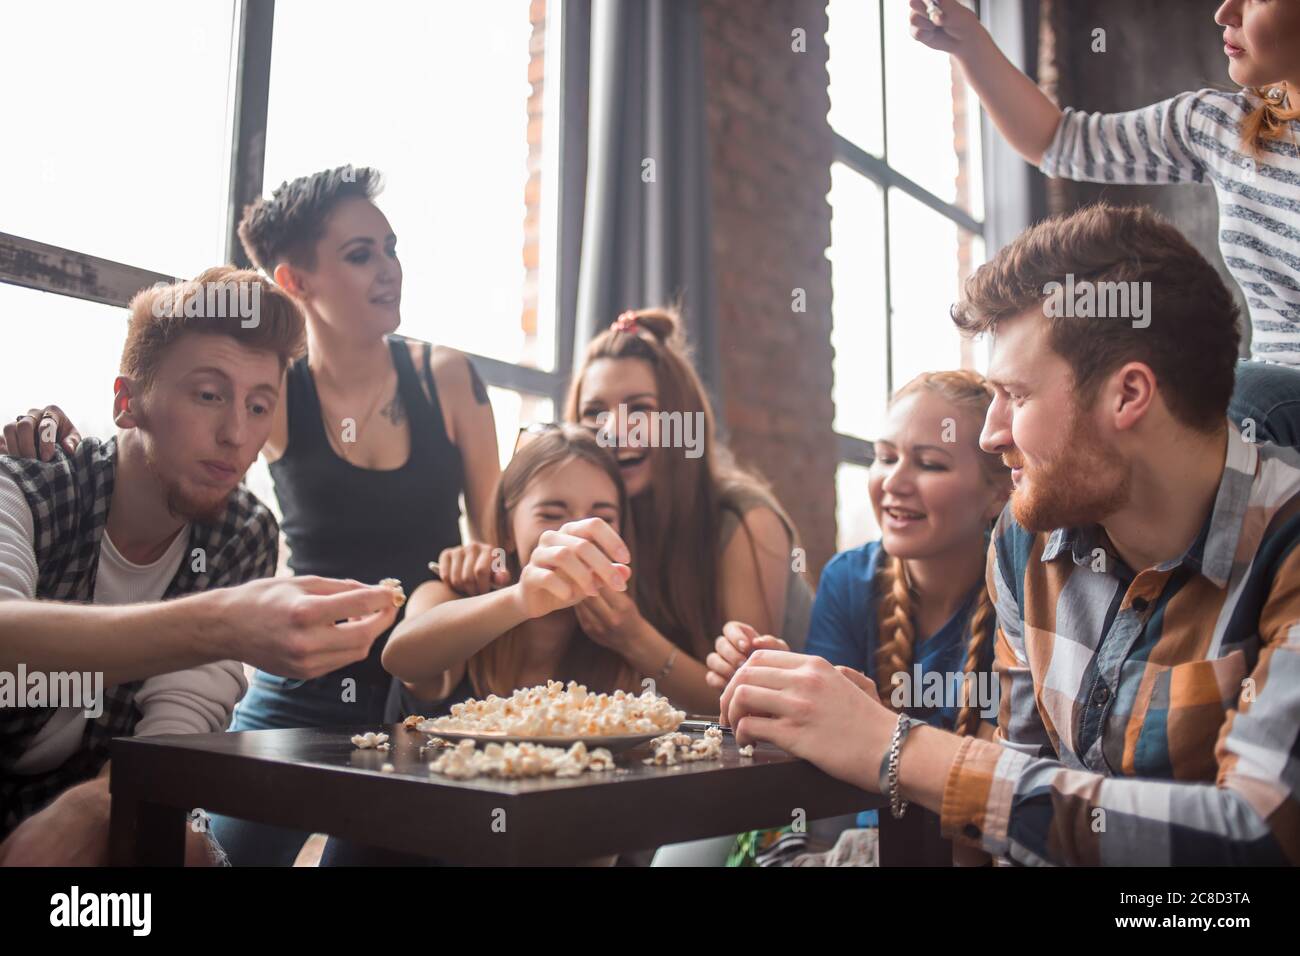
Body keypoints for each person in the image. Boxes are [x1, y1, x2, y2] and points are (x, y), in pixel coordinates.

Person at [723, 203, 1300, 865]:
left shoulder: (1286, 548)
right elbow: (1015, 821)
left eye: (1015, 397)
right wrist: (863, 740)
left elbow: (1256, 837)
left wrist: (896, 746)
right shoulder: (1029, 545)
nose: (993, 433)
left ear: (1128, 394)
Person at [8, 166, 502, 864]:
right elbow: (161, 427)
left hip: (427, 675)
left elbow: (498, 535)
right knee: (213, 846)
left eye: (390, 248)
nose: (389, 269)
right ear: (293, 281)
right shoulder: (272, 385)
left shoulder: (443, 377)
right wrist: (47, 436)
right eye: (361, 254)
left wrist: (484, 565)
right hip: (297, 675)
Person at [0, 268, 399, 866]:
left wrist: (91, 809)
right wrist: (226, 622)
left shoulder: (241, 531)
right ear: (128, 401)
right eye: (209, 395)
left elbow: (174, 733)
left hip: (88, 792)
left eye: (259, 405)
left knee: (187, 850)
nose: (237, 434)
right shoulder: (29, 484)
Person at [909, 0, 1300, 444]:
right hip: (1265, 407)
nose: (1225, 12)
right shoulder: (1220, 126)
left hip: (1257, 402)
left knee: (1237, 398)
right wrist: (969, 45)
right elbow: (1058, 141)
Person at [701, 370, 1009, 867]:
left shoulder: (1019, 598)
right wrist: (779, 684)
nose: (894, 481)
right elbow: (819, 762)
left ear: (997, 493)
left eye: (929, 464)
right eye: (884, 457)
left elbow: (997, 798)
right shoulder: (849, 579)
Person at [437, 308, 813, 716]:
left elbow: (753, 703)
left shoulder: (743, 521)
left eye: (639, 409)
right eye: (594, 413)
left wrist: (633, 638)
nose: (615, 429)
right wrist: (475, 559)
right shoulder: (589, 520)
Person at [323, 424, 636, 866]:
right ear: (508, 529)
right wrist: (520, 599)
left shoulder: (617, 648)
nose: (576, 535)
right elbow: (401, 656)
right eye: (551, 514)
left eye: (601, 515)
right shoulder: (451, 596)